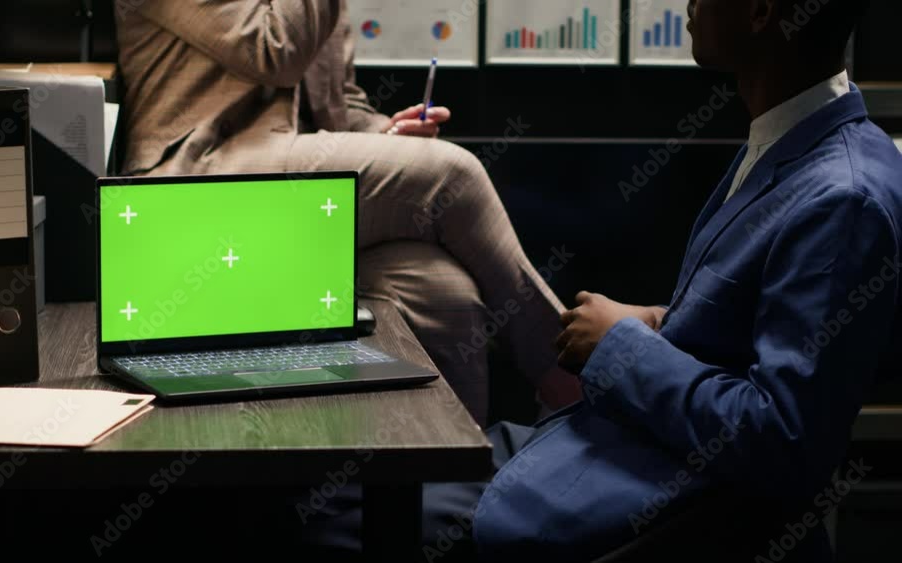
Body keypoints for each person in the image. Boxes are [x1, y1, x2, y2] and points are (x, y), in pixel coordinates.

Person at [281, 0, 902, 561]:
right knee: (355, 493)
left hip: (652, 491)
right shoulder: (789, 140)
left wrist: (620, 347)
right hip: (617, 445)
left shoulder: (842, 197)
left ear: (764, 12)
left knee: (333, 525)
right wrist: (655, 320)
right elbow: (751, 329)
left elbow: (782, 440)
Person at [113, 0, 581, 422]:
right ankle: (572, 378)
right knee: (452, 176)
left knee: (442, 290)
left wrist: (387, 135)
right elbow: (272, 49)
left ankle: (446, 500)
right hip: (191, 185)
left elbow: (338, 102)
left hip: (291, 184)